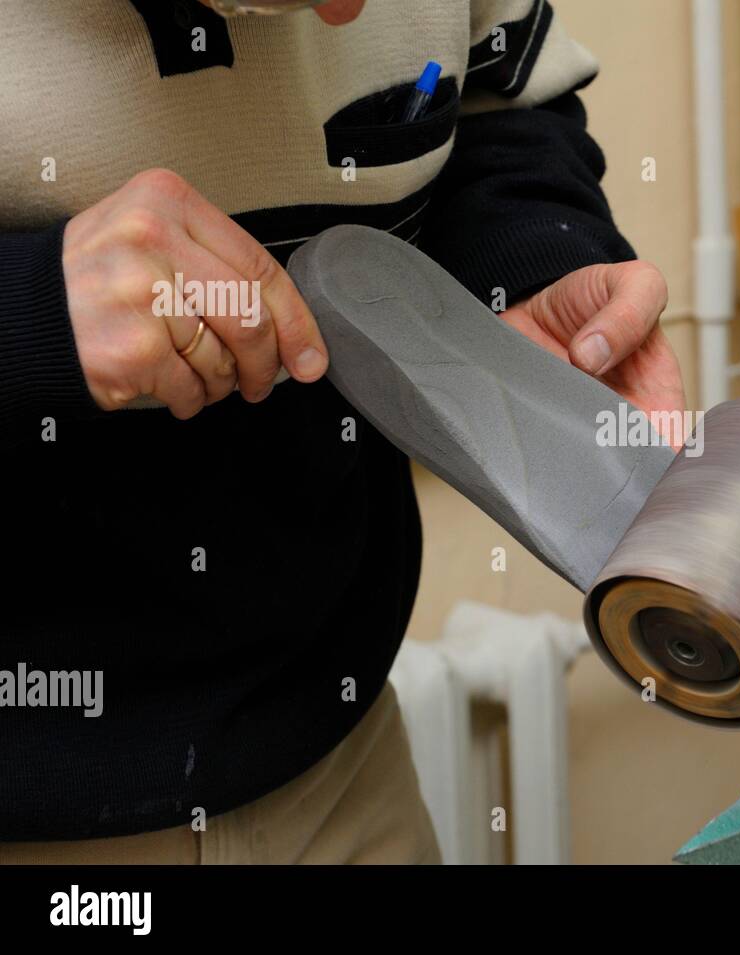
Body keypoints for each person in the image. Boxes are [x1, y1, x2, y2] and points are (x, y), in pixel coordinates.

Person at [0, 0, 683, 863]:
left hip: (338, 758)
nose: (351, 13)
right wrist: (32, 317)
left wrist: (530, 270)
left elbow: (494, 111)